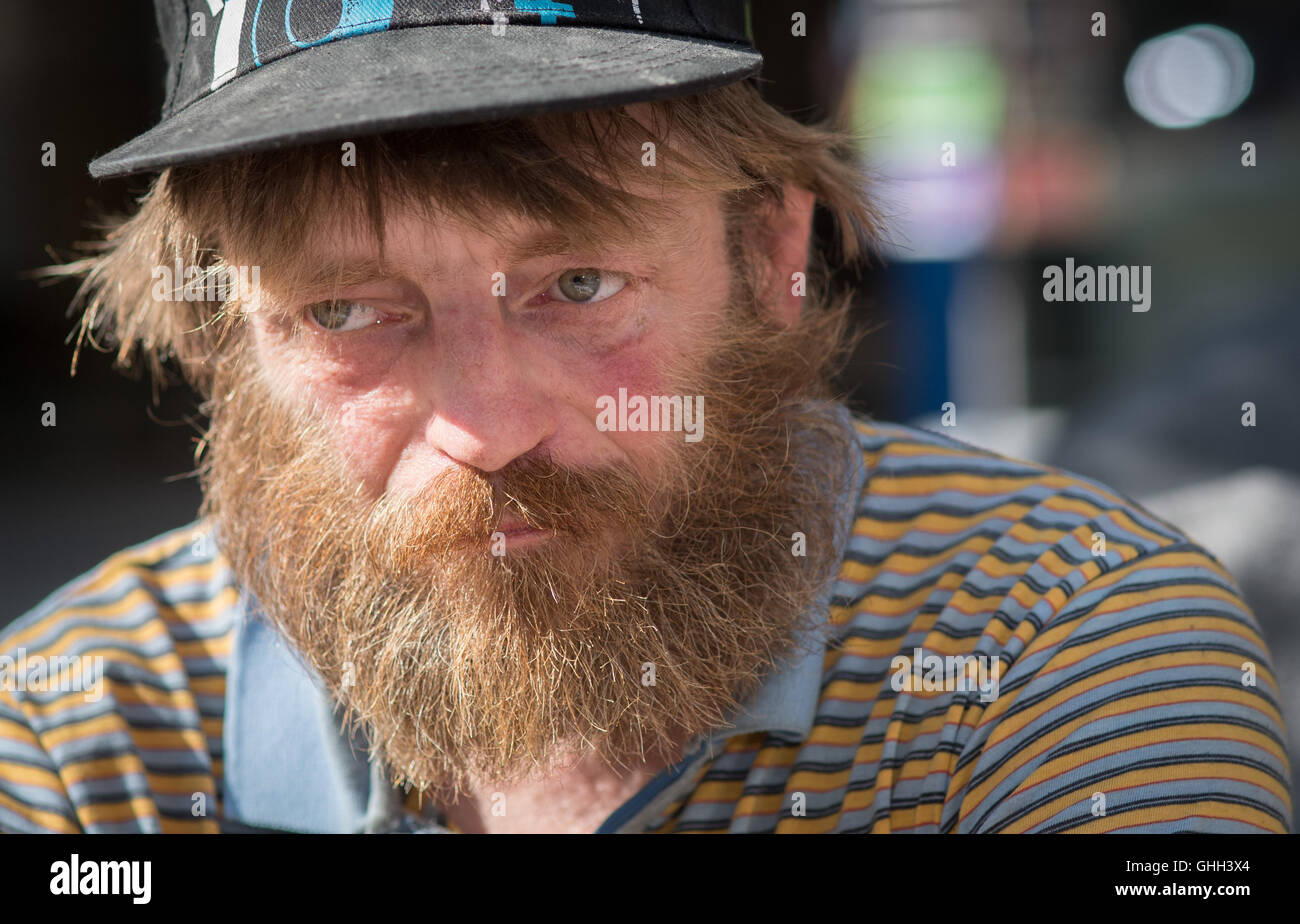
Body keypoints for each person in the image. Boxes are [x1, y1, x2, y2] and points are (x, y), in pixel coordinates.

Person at [0, 0, 1289, 834]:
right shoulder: (85, 731)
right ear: (215, 330)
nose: (485, 427)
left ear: (773, 253)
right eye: (347, 311)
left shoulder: (1058, 635)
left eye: (580, 286)